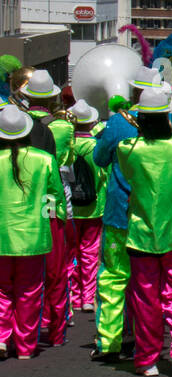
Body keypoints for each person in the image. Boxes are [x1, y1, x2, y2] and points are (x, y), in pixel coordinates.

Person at [115, 89, 172, 377]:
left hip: (142, 234)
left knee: (146, 299)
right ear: (166, 116)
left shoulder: (128, 147)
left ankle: (146, 359)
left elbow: (128, 177)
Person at [0, 105, 57, 360]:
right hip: (34, 235)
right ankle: (25, 346)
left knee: (2, 290)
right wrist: (48, 223)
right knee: (30, 291)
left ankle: (1, 339)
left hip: (2, 235)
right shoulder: (44, 159)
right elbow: (53, 199)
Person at [21, 70, 73, 348]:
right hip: (46, 209)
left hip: (16, 210)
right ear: (52, 96)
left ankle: (14, 333)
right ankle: (54, 330)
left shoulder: (16, 126)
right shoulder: (58, 128)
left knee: (15, 278)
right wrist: (57, 216)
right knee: (54, 274)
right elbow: (53, 180)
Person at [68, 99, 107, 314]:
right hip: (94, 206)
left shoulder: (68, 145)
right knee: (90, 252)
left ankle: (73, 296)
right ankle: (87, 297)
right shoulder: (96, 146)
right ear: (92, 123)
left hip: (72, 207)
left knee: (71, 252)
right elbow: (104, 176)